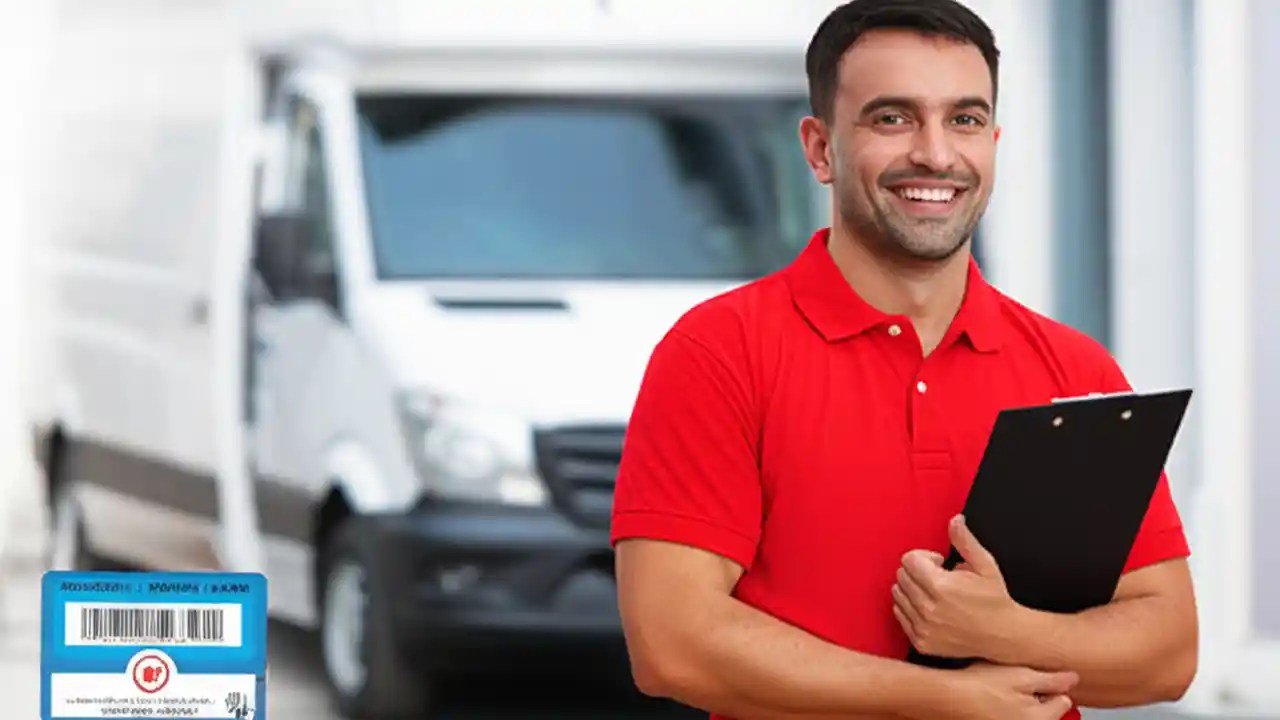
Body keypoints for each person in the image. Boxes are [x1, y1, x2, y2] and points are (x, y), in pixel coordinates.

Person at [609, 0, 1199, 718]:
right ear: (821, 149)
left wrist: (1006, 631)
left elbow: (1166, 654)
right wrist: (940, 698)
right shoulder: (718, 353)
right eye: (893, 118)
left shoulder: (1074, 371)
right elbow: (672, 645)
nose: (937, 154)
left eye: (965, 119)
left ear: (993, 140)